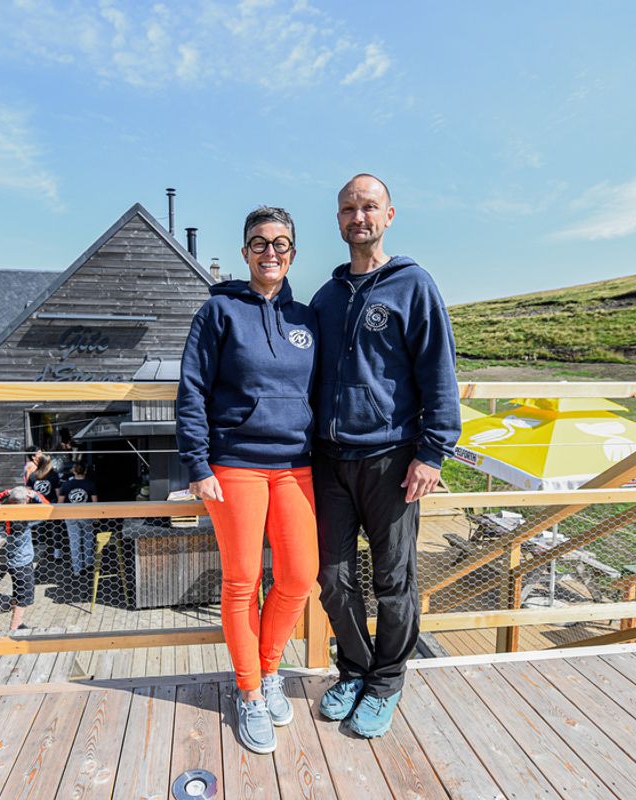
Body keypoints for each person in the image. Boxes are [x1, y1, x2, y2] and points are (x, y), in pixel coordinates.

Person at [311, 174, 461, 738]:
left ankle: (387, 678)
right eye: (348, 208)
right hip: (328, 461)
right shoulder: (325, 298)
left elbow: (437, 372)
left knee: (394, 578)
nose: (358, 217)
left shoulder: (412, 285)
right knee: (332, 576)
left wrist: (434, 452)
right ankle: (353, 669)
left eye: (368, 207)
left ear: (389, 215)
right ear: (339, 219)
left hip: (393, 459)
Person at [176, 205, 319, 754]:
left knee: (299, 577)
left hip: (296, 466)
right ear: (244, 252)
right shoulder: (218, 312)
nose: (270, 253)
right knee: (241, 583)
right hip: (233, 464)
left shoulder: (306, 319)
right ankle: (249, 692)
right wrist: (196, 464)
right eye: (259, 243)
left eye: (280, 244)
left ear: (292, 254)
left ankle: (268, 669)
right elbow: (192, 389)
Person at [0, 486, 42, 633]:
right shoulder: (24, 520)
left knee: (18, 593)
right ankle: (13, 629)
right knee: (24, 599)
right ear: (26, 500)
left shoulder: (5, 512)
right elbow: (46, 509)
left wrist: (7, 492)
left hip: (12, 561)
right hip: (23, 563)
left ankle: (18, 623)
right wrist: (36, 495)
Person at [59, 461, 98, 575]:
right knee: (88, 538)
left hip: (71, 516)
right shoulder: (90, 484)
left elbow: (60, 503)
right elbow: (95, 503)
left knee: (74, 542)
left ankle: (77, 569)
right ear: (85, 471)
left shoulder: (66, 485)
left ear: (73, 471)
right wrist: (96, 516)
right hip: (87, 515)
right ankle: (89, 563)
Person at [26, 453, 63, 566]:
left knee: (40, 529)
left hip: (38, 506)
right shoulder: (54, 475)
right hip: (51, 505)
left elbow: (28, 492)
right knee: (56, 528)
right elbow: (57, 493)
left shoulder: (33, 475)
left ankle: (41, 553)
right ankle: (57, 554)